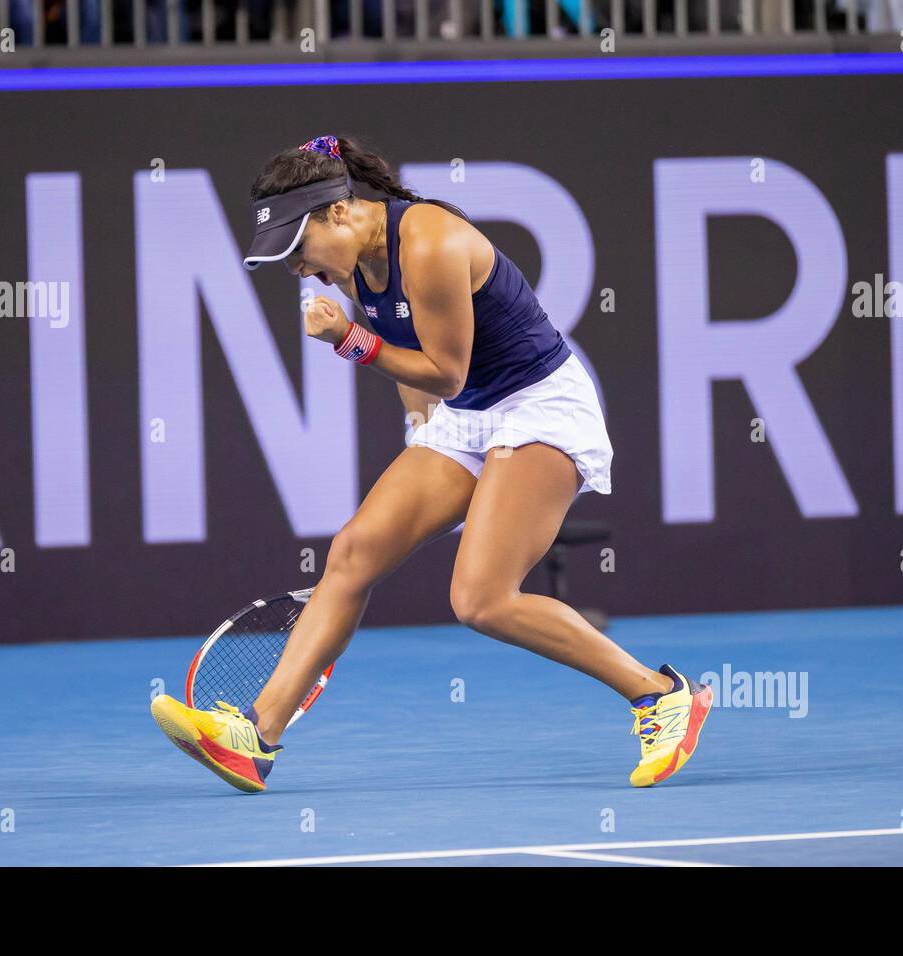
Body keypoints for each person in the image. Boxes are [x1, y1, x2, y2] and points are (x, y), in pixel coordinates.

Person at [150, 134, 713, 793]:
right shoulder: (352, 264)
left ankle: (661, 695)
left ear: (336, 211)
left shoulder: (432, 242)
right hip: (466, 419)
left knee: (481, 599)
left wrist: (349, 342)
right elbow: (415, 367)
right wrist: (420, 432)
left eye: (298, 251)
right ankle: (256, 736)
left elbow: (445, 370)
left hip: (540, 408)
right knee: (354, 551)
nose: (300, 270)